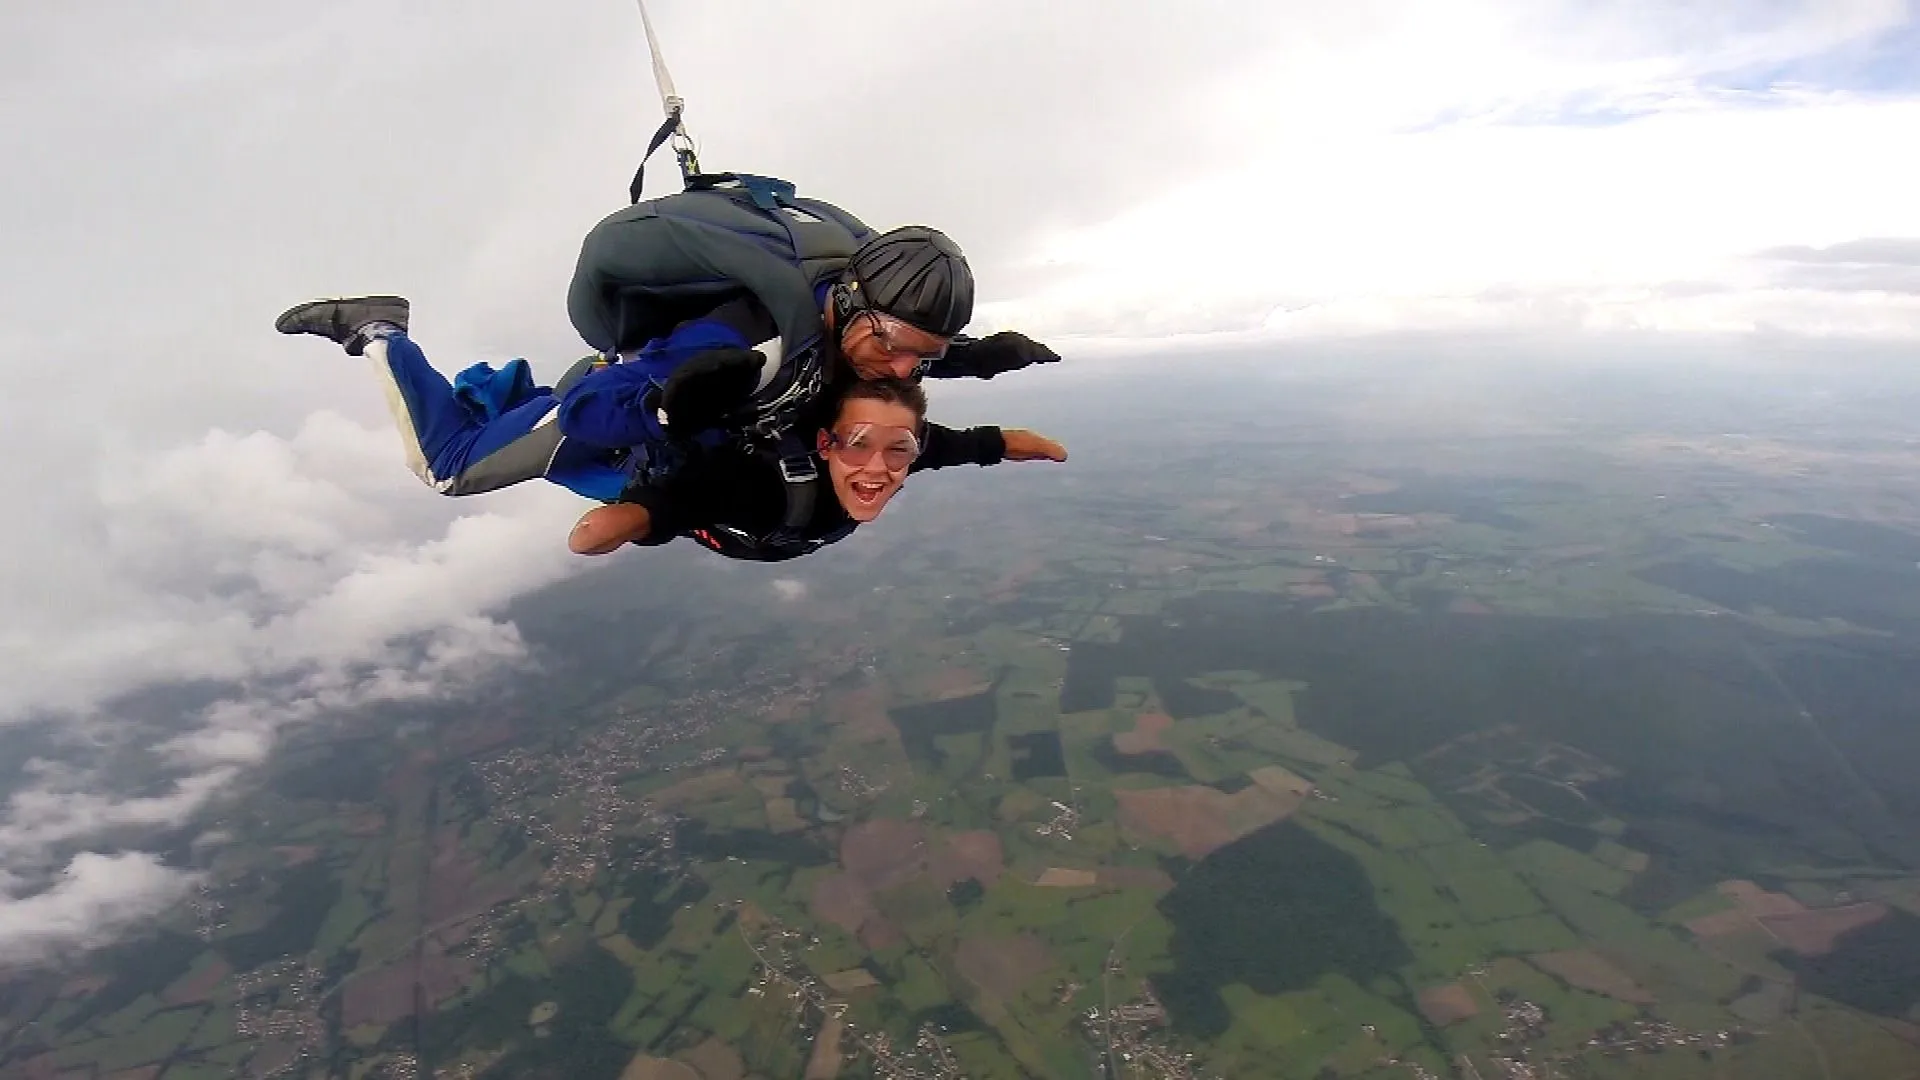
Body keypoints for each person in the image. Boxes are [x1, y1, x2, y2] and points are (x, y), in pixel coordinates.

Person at [273, 296, 1066, 560]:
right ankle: (378, 330)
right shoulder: (761, 480)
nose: (883, 471)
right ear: (824, 442)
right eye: (872, 454)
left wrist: (1003, 422)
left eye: (894, 459)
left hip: (664, 420)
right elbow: (678, 497)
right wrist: (624, 520)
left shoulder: (858, 426)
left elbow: (932, 433)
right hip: (618, 414)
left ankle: (516, 398)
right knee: (453, 469)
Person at [560, 174, 1063, 459]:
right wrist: (670, 410)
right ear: (846, 303)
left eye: (925, 354)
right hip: (672, 382)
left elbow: (905, 350)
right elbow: (580, 412)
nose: (906, 368)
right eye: (892, 345)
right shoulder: (752, 341)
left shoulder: (870, 326)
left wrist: (980, 357)